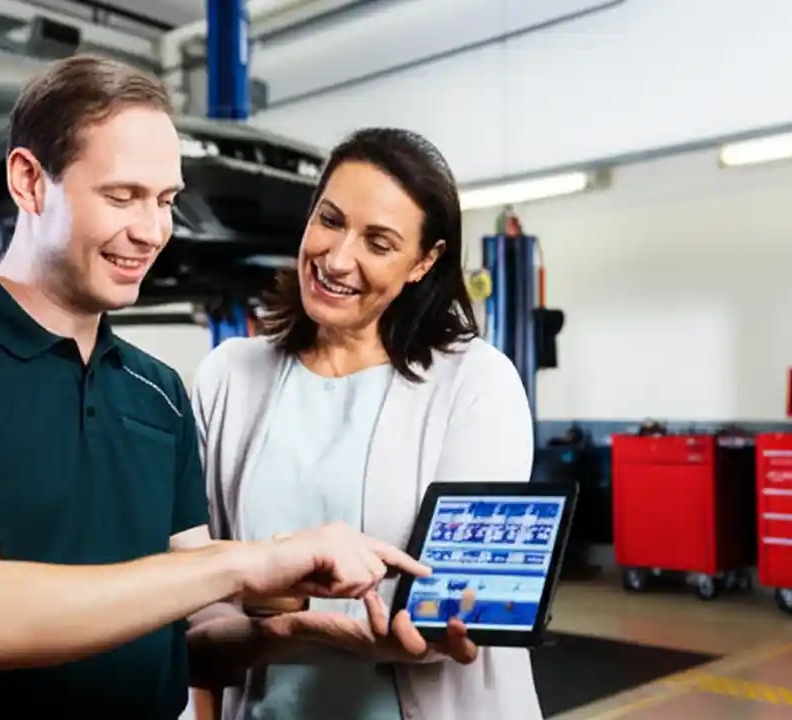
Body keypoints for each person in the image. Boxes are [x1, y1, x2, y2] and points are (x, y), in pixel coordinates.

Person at [0, 57, 430, 720]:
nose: (152, 231)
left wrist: (300, 634)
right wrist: (251, 562)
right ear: (29, 181)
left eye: (165, 200)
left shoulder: (160, 394)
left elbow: (194, 634)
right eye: (122, 196)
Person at [185, 128, 544, 719]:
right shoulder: (229, 376)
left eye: (378, 242)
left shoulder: (477, 383)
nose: (336, 257)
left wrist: (283, 600)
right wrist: (270, 624)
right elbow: (200, 598)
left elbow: (463, 602)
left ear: (423, 262)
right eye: (329, 220)